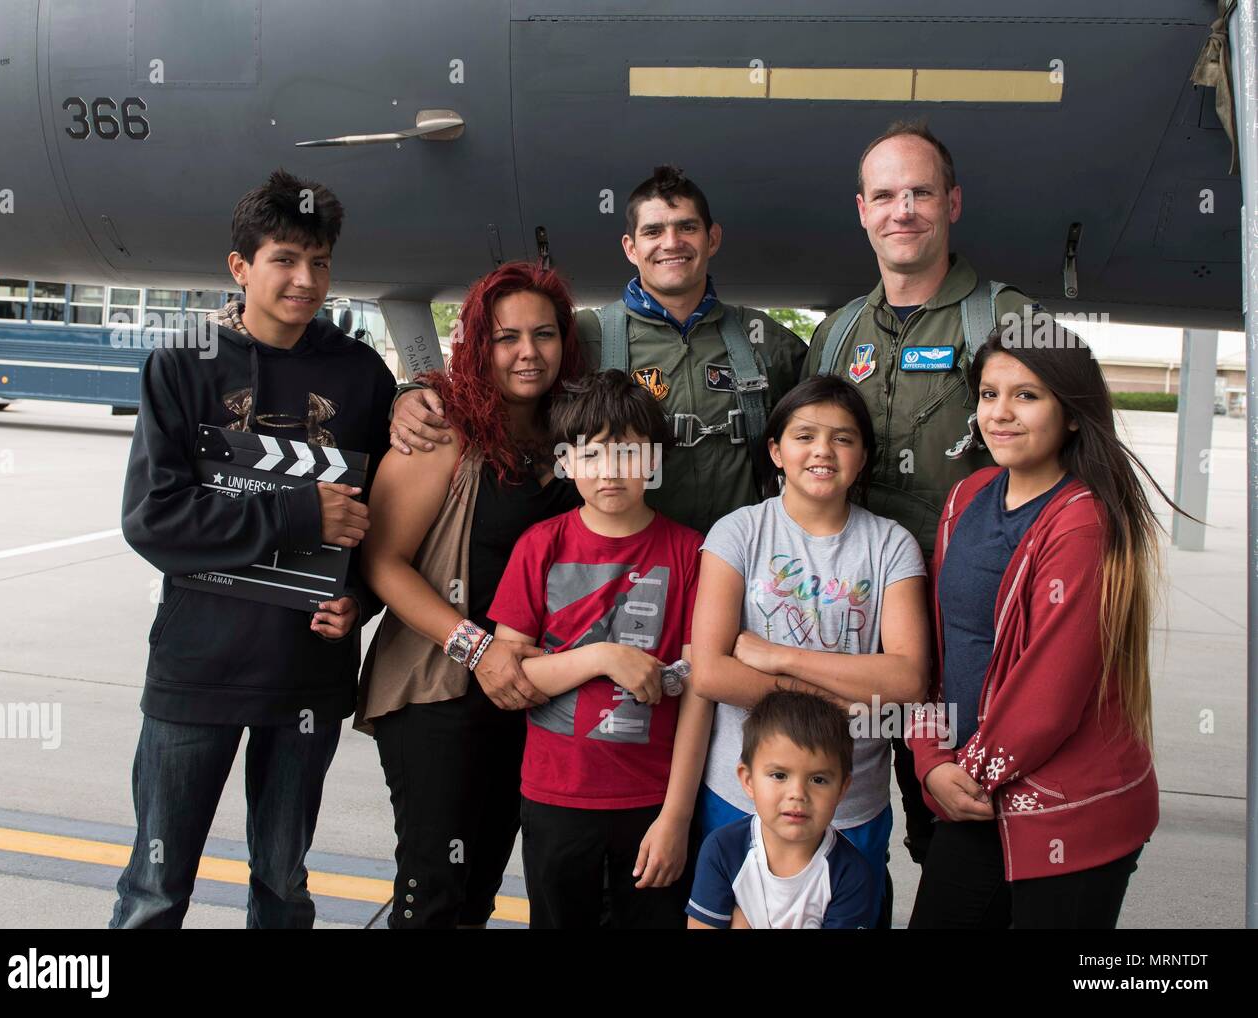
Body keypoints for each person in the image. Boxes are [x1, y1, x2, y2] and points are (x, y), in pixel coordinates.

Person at [111, 169, 394, 928]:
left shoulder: (363, 375)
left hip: (307, 675)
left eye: (321, 262)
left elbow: (385, 525)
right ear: (240, 267)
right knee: (155, 888)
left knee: (283, 885)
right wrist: (299, 512)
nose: (307, 280)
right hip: (195, 672)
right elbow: (154, 520)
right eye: (285, 259)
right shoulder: (181, 365)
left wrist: (360, 601)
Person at [804, 120, 1039, 865]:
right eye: (885, 196)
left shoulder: (1010, 320)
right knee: (844, 817)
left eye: (920, 192)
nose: (902, 209)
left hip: (969, 632)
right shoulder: (837, 333)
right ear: (863, 211)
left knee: (964, 829)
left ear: (953, 203)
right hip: (858, 631)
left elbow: (1075, 479)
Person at [906, 327, 1164, 929]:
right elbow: (936, 652)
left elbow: (1047, 701)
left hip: (1064, 811)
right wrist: (928, 757)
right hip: (970, 790)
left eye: (1027, 396)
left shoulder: (1083, 524)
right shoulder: (967, 495)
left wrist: (962, 776)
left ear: (1071, 414)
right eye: (989, 394)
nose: (1000, 414)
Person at [390, 164, 807, 534]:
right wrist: (412, 396)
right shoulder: (583, 337)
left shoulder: (766, 342)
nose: (671, 242)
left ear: (712, 238)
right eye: (653, 231)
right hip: (624, 572)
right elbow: (500, 387)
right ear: (631, 247)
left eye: (687, 227)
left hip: (734, 570)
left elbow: (823, 423)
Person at [356, 261, 585, 929]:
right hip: (442, 693)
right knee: (434, 895)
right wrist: (476, 647)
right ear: (478, 343)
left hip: (528, 696)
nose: (527, 353)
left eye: (543, 335)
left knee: (477, 891)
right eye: (506, 337)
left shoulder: (569, 434)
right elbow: (383, 561)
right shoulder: (440, 431)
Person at [689, 375, 928, 928]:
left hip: (850, 802)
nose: (823, 450)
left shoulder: (891, 544)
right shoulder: (738, 533)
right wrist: (844, 700)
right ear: (775, 450)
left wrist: (781, 657)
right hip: (742, 794)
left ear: (864, 456)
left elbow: (907, 678)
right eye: (805, 436)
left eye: (843, 439)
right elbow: (711, 672)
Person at [488, 369, 708, 928]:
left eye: (629, 455)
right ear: (566, 463)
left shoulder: (690, 553)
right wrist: (604, 656)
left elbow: (700, 693)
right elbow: (510, 678)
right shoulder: (540, 545)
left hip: (651, 799)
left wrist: (677, 816)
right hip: (556, 794)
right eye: (591, 455)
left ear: (654, 462)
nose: (610, 472)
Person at [686, 690, 875, 929]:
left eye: (818, 779)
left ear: (842, 788)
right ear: (748, 780)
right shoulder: (723, 850)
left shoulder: (850, 873)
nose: (797, 793)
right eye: (779, 775)